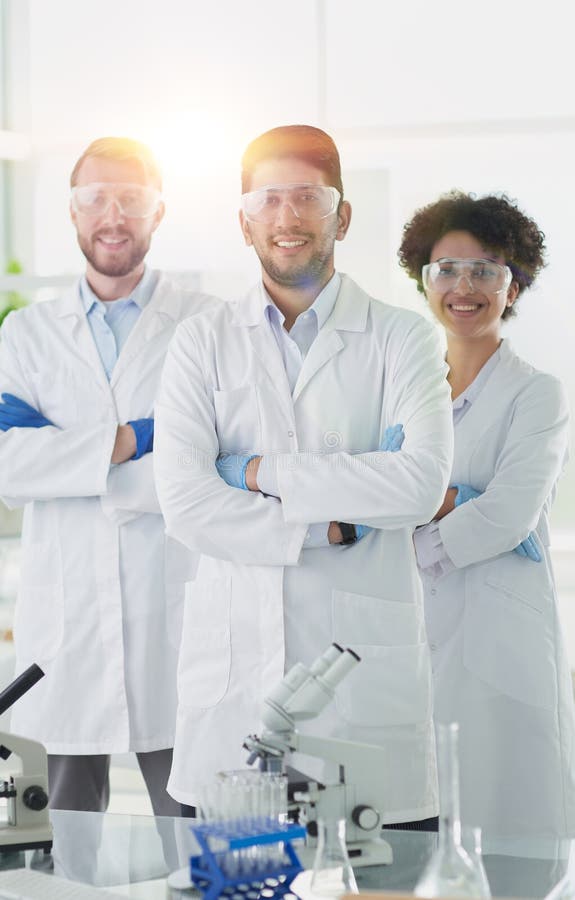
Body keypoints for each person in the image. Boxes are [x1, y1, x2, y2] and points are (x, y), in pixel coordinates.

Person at [154, 124, 454, 826]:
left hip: (362, 691)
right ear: (243, 220)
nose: (287, 218)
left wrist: (257, 472)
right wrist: (329, 523)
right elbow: (187, 504)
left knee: (377, 878)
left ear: (341, 215)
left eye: (308, 199)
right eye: (268, 200)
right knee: (239, 878)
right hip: (235, 688)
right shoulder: (201, 341)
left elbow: (416, 485)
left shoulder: (401, 337)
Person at [0, 136, 218, 815]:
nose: (112, 215)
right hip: (65, 624)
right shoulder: (27, 335)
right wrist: (134, 439)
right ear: (72, 213)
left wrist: (72, 460)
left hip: (175, 610)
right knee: (62, 842)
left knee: (192, 831)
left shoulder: (206, 325)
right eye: (94, 198)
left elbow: (208, 471)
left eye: (131, 198)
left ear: (158, 211)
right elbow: (9, 468)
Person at [399, 191, 575, 850]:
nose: (462, 287)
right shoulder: (405, 386)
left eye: (484, 270)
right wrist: (448, 496)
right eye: (445, 269)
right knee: (414, 839)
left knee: (506, 841)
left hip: (500, 640)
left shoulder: (536, 392)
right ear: (422, 280)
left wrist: (418, 519)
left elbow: (507, 512)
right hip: (412, 636)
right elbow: (374, 491)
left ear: (514, 283)